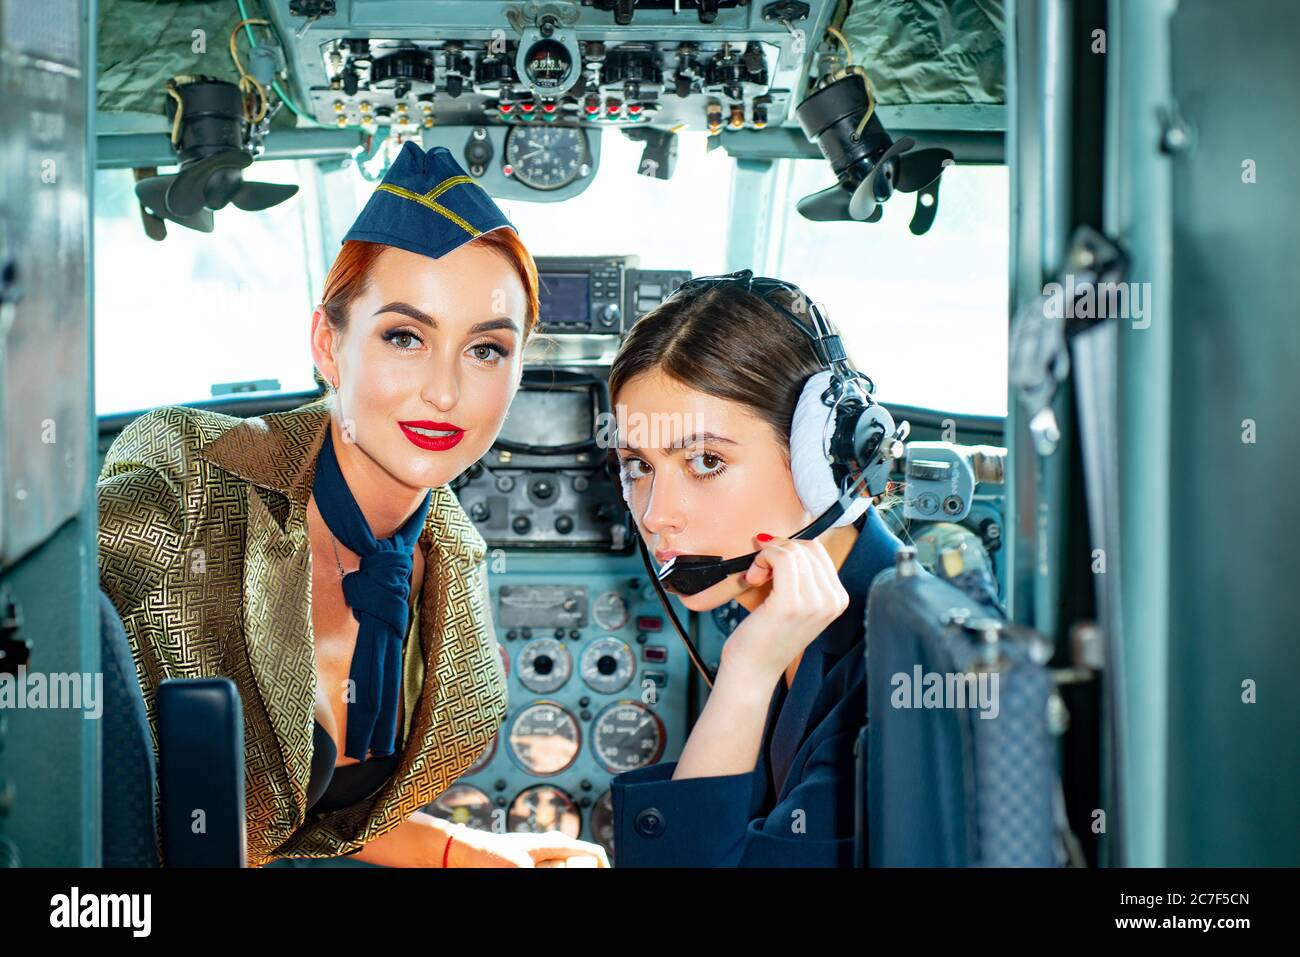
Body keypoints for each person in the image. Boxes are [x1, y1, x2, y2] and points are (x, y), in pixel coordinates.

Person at [97, 141, 607, 868]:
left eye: (486, 349)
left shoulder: (451, 558)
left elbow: (303, 816)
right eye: (405, 336)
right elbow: (37, 629)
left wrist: (475, 852)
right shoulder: (189, 476)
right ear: (328, 345)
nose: (444, 391)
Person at [606, 273, 904, 866]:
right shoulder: (762, 603)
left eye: (706, 461)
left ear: (826, 463)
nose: (657, 516)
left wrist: (747, 670)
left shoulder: (895, 678)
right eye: (639, 465)